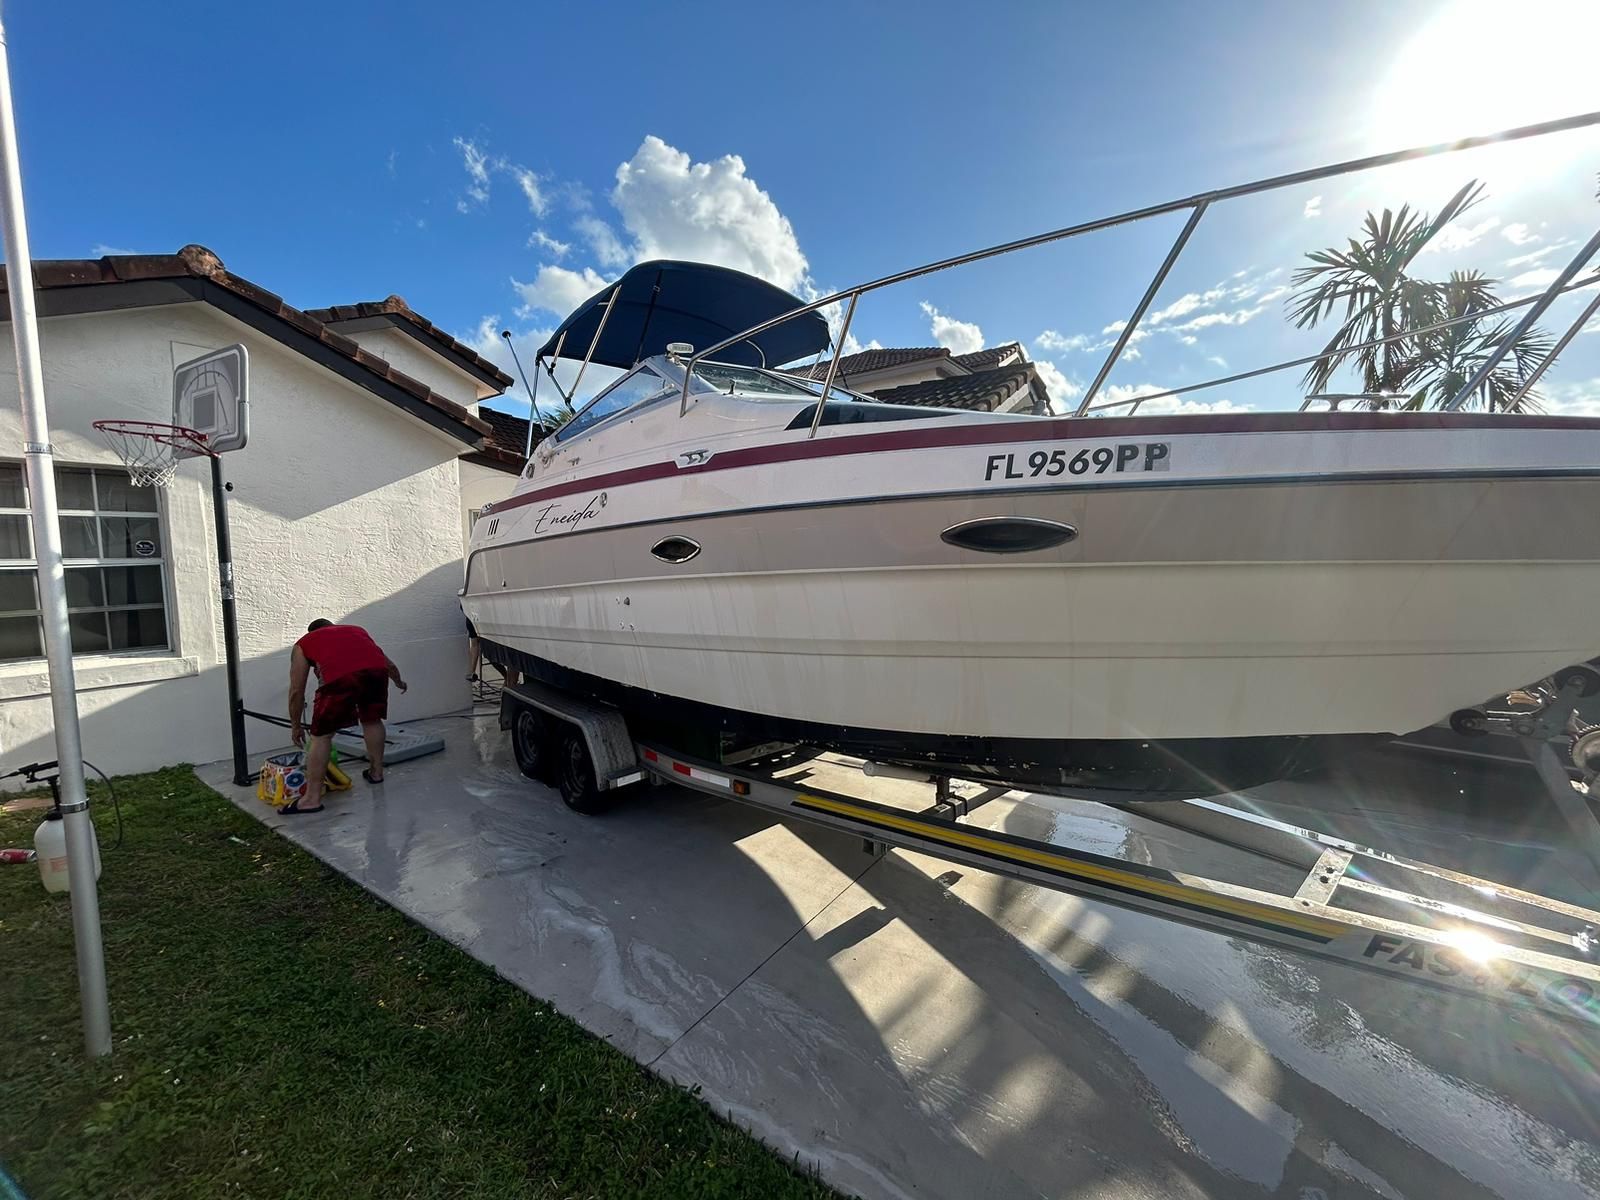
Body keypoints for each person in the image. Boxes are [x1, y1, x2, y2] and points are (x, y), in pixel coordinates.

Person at [286, 618, 407, 814]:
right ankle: (376, 773)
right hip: (376, 674)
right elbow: (387, 663)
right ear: (332, 626)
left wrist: (295, 725)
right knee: (371, 719)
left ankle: (311, 799)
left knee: (322, 735)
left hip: (340, 680)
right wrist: (399, 682)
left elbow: (296, 691)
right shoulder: (356, 630)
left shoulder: (304, 642)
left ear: (311, 632)